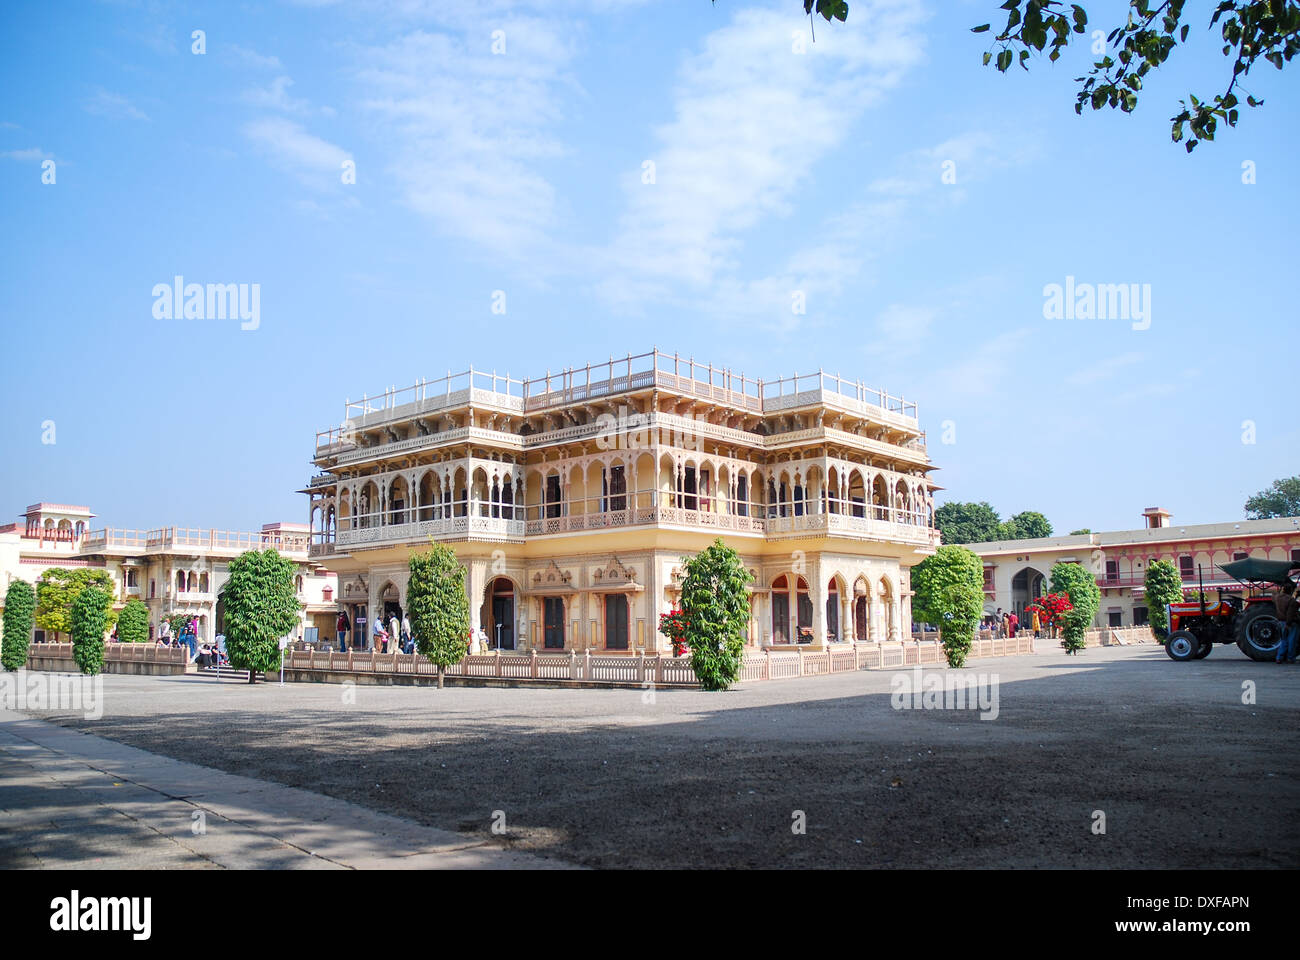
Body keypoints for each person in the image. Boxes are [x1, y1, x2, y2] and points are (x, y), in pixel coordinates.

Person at [1274, 582, 1298, 664]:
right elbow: (1290, 614)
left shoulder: (1277, 598)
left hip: (1281, 621)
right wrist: (1288, 623)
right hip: (1290, 623)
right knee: (1292, 640)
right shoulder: (1291, 600)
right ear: (1291, 590)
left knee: (1284, 640)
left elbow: (1273, 597)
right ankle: (1290, 658)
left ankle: (1279, 657)